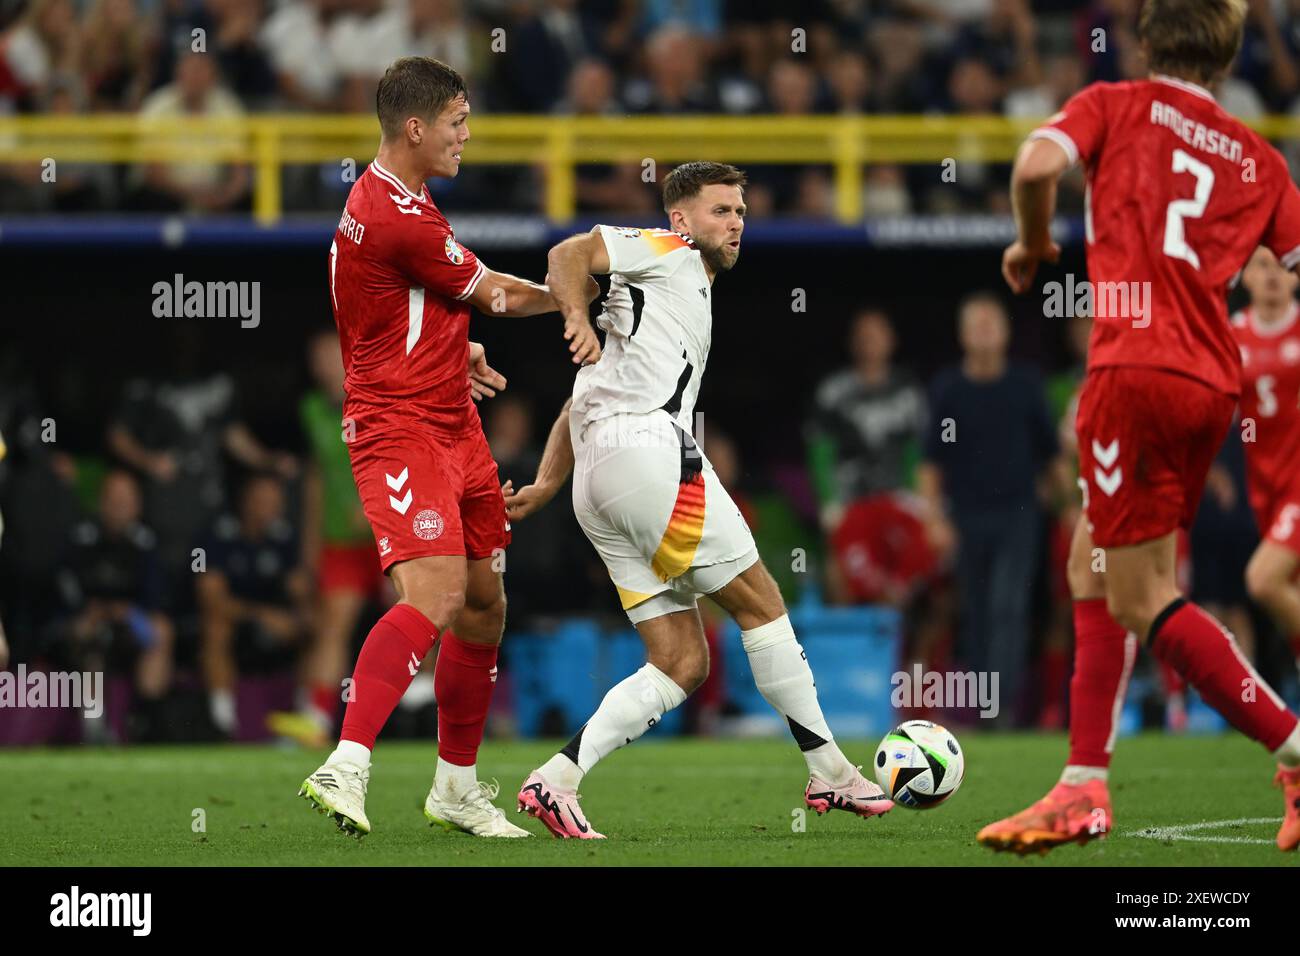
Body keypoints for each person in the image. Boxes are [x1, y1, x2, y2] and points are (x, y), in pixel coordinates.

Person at [979, 0, 1300, 854]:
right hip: (1210, 385)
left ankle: (1296, 749)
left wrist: (1033, 244)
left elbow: (1032, 166)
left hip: (1131, 372)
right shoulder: (1262, 160)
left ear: (1143, 38)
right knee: (1099, 557)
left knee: (1140, 593)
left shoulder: (1113, 104)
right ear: (1227, 59)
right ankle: (1083, 783)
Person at [503, 162, 894, 839]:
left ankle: (556, 780)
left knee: (681, 659)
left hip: (598, 482)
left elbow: (580, 402)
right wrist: (573, 312)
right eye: (719, 210)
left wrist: (546, 482)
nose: (735, 221)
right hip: (652, 456)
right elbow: (567, 253)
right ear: (681, 219)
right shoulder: (668, 251)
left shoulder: (662, 297)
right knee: (762, 603)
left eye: (740, 210)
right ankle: (830, 771)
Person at [299, 56, 599, 839]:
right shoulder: (398, 215)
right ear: (415, 128)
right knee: (432, 596)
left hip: (451, 420)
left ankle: (457, 789)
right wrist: (580, 293)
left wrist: (445, 345)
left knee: (484, 604)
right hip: (399, 428)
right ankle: (348, 761)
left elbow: (385, 299)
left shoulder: (396, 198)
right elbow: (493, 292)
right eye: (458, 123)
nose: (468, 136)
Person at [919, 293, 1059, 726]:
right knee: (975, 611)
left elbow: (1051, 457)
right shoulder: (948, 390)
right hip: (965, 517)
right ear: (962, 335)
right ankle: (984, 706)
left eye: (990, 323)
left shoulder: (1026, 384)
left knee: (1008, 605)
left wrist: (1069, 507)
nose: (983, 332)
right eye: (974, 324)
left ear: (1006, 332)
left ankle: (1003, 706)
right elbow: (929, 463)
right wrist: (934, 517)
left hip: (1018, 516)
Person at [197, 474, 309, 739]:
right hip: (236, 622)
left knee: (316, 625)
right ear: (245, 503)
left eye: (274, 503)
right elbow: (211, 599)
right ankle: (223, 722)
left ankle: (308, 717)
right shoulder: (217, 535)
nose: (268, 510)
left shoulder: (285, 539)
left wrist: (299, 613)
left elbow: (301, 590)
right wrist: (262, 616)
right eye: (261, 502)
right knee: (215, 627)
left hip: (278, 624)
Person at [1234, 247, 1300, 675]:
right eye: (1261, 264)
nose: (1273, 273)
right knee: (1289, 589)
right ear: (1244, 278)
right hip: (1264, 486)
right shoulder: (1229, 336)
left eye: (1281, 264)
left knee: (1263, 579)